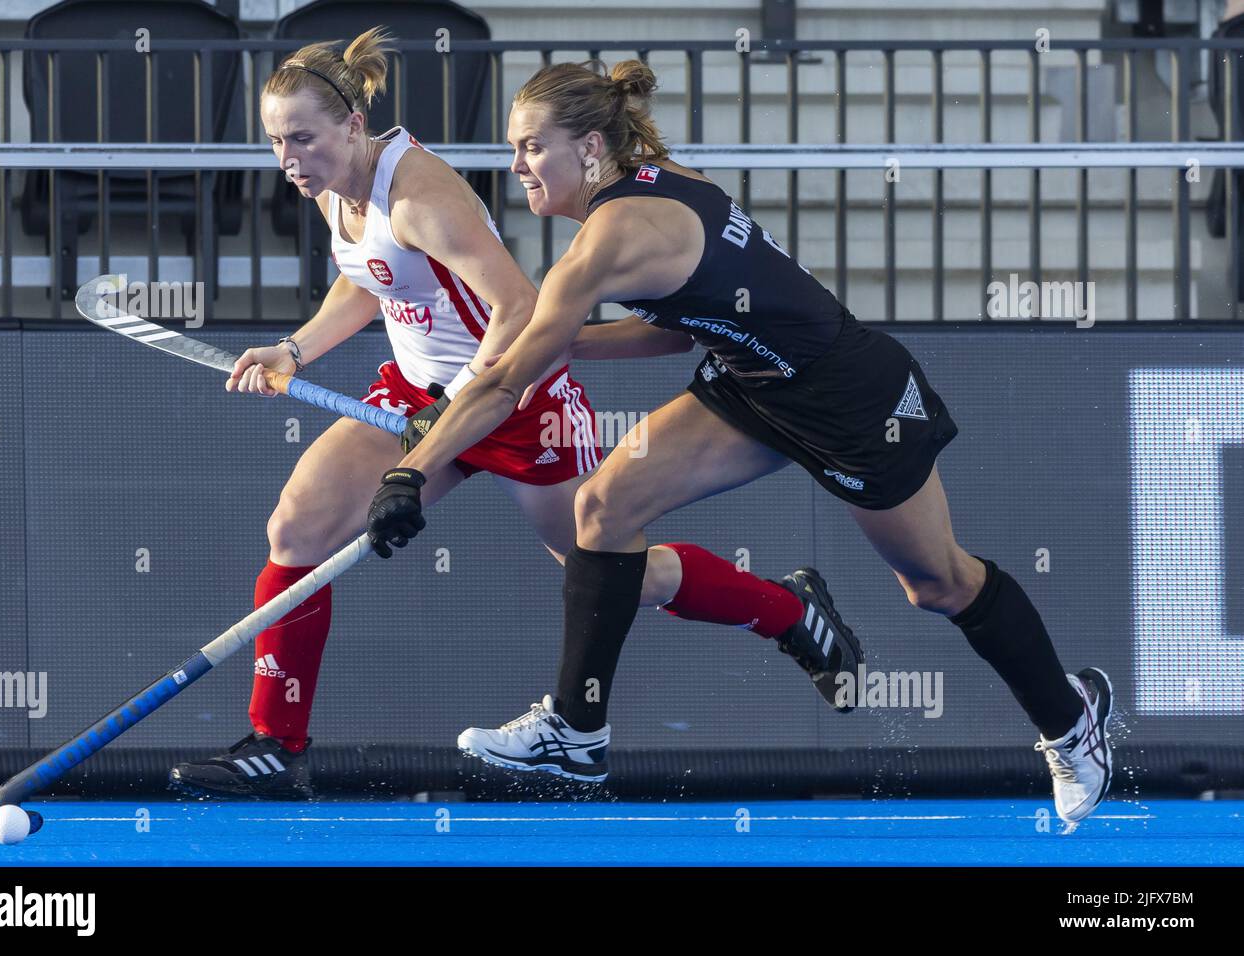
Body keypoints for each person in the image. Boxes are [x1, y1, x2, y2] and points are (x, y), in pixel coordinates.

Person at [366, 58, 1114, 829]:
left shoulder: (603, 244)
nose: (515, 164)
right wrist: (557, 345)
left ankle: (1071, 720)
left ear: (590, 147)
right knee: (603, 507)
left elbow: (500, 386)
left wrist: (410, 474)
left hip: (848, 398)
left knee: (938, 585)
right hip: (750, 386)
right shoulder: (653, 182)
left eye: (530, 146)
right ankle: (576, 730)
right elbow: (668, 338)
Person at [170, 32, 850, 798]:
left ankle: (786, 608)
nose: (288, 158)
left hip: (518, 398)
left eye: (303, 139)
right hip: (419, 391)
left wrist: (457, 413)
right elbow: (371, 279)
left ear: (354, 127)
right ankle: (276, 745)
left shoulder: (419, 194)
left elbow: (519, 307)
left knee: (609, 569)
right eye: (275, 142)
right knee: (296, 528)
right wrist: (296, 349)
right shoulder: (335, 187)